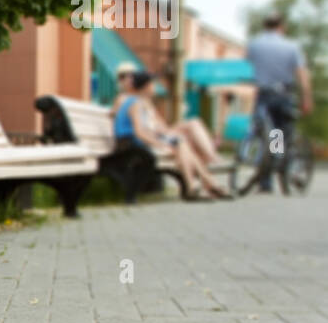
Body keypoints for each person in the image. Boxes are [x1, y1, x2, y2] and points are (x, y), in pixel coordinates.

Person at [114, 70, 231, 199]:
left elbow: (149, 129)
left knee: (181, 143)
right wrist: (160, 143)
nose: (154, 87)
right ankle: (204, 185)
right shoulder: (134, 103)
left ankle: (198, 185)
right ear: (146, 86)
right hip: (130, 144)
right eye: (152, 84)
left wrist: (162, 139)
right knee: (180, 144)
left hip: (135, 142)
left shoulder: (138, 102)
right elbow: (139, 132)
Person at [246, 12, 314, 191]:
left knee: (263, 132)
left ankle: (265, 180)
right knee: (281, 133)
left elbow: (248, 66)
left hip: (263, 94)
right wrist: (307, 97)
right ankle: (285, 165)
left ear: (264, 25)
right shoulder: (291, 46)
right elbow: (301, 73)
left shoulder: (254, 45)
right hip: (283, 95)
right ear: (281, 27)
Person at [113, 61, 222, 166]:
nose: (128, 79)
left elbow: (157, 119)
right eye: (123, 76)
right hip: (149, 136)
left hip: (161, 132)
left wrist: (166, 131)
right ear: (119, 80)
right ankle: (208, 158)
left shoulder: (142, 99)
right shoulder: (125, 99)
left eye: (131, 75)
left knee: (194, 123)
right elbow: (121, 118)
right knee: (185, 137)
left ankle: (209, 156)